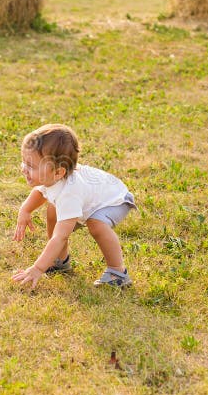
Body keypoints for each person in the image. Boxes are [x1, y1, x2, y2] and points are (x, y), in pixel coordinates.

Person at [11, 124, 136, 289]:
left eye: (31, 166)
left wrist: (37, 268)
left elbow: (60, 236)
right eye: (24, 162)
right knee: (53, 211)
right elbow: (40, 192)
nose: (24, 169)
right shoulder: (52, 178)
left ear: (58, 172)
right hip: (92, 197)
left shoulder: (69, 193)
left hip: (114, 199)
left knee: (96, 224)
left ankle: (117, 272)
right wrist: (25, 210)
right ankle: (60, 261)